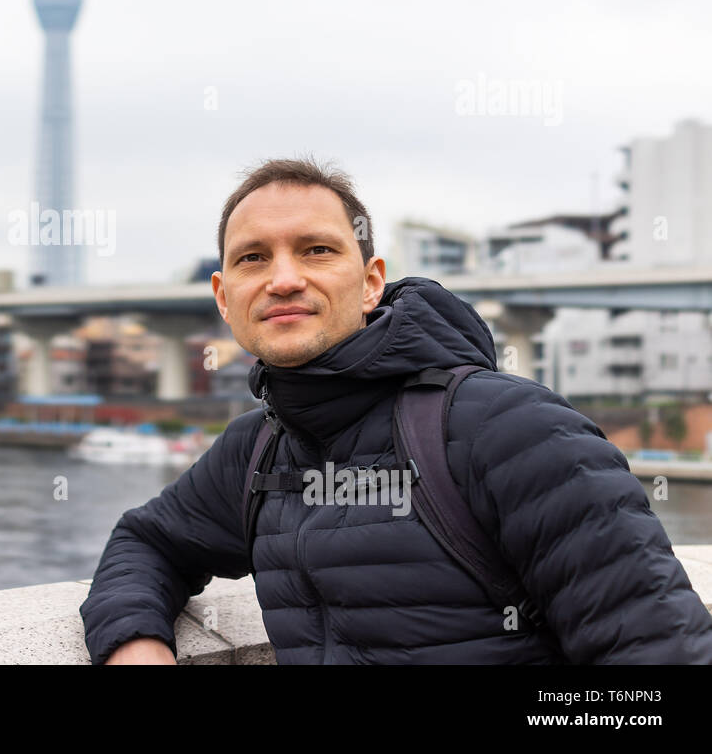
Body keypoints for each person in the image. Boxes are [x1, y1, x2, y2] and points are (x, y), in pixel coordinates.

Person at [79, 156, 712, 664]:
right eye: (253, 258)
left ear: (372, 280)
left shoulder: (510, 429)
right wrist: (136, 644)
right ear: (224, 297)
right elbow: (148, 541)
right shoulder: (259, 448)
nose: (282, 279)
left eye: (317, 250)